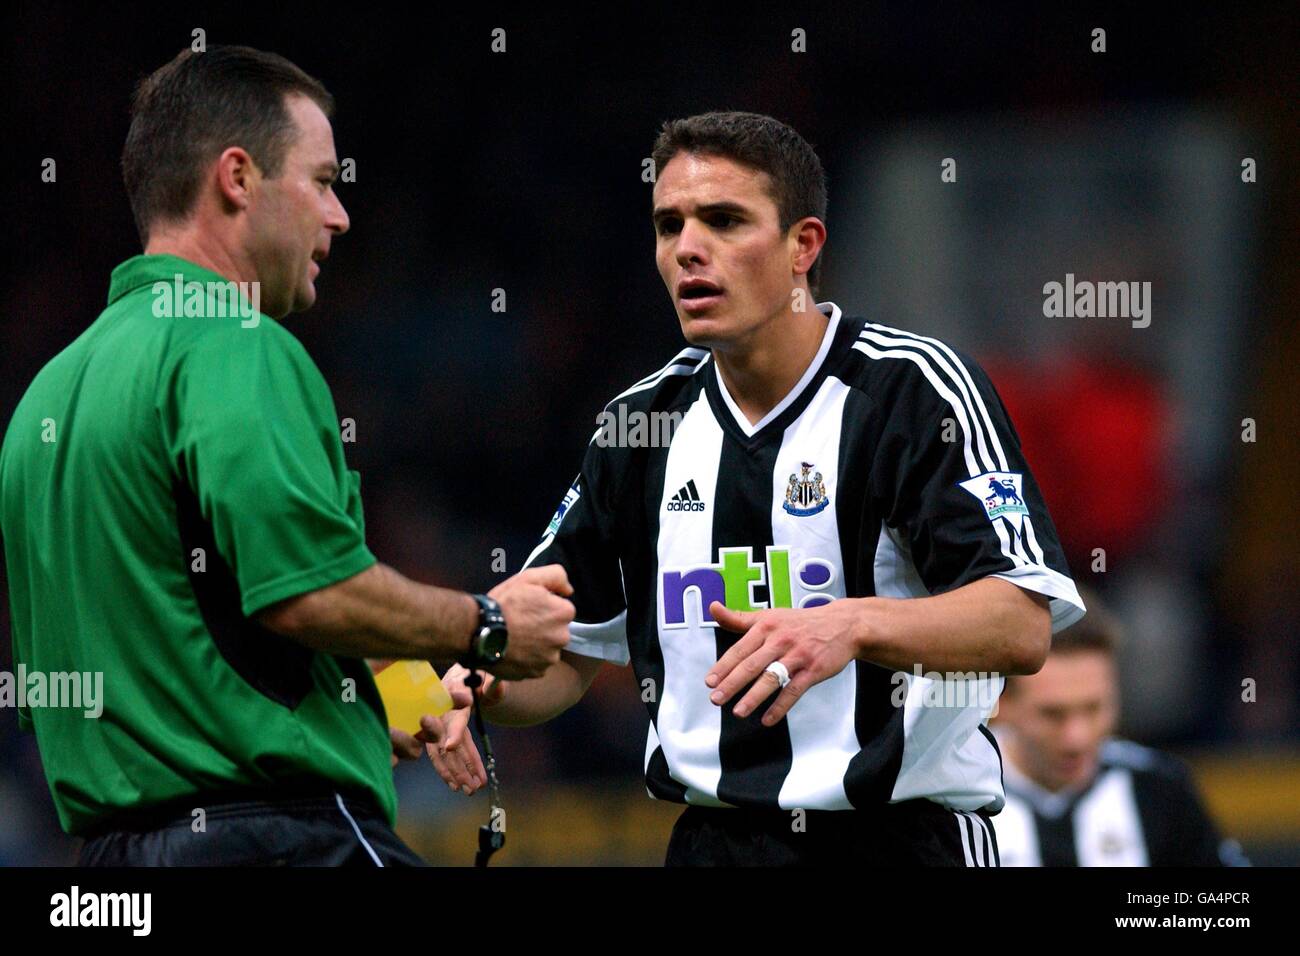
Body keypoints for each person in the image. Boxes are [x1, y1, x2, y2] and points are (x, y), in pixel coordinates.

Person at [425, 111, 1086, 866]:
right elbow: (570, 655)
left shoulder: (912, 394)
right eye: (668, 225)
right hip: (712, 843)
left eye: (724, 220)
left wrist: (850, 625)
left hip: (898, 839)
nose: (688, 250)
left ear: (803, 245)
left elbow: (1020, 624)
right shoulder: (640, 426)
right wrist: (485, 683)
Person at [0, 45, 573, 866]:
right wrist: (484, 625)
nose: (339, 215)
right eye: (323, 180)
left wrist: (378, 698)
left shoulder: (46, 399)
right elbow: (304, 592)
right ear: (238, 177)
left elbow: (189, 655)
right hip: (279, 844)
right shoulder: (235, 341)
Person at [990, 588, 1248, 866]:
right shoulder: (958, 799)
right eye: (1052, 714)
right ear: (1001, 702)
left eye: (1094, 709)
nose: (1077, 738)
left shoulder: (1160, 792)